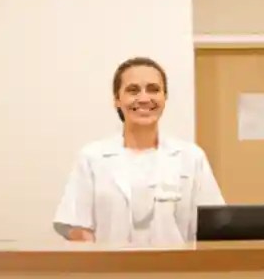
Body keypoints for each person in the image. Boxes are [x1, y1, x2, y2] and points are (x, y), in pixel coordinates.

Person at [53, 57, 225, 245]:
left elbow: (213, 226)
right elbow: (77, 224)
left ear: (165, 97)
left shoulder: (191, 158)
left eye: (153, 89)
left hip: (176, 271)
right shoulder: (92, 158)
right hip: (111, 271)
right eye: (133, 90)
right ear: (117, 100)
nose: (144, 98)